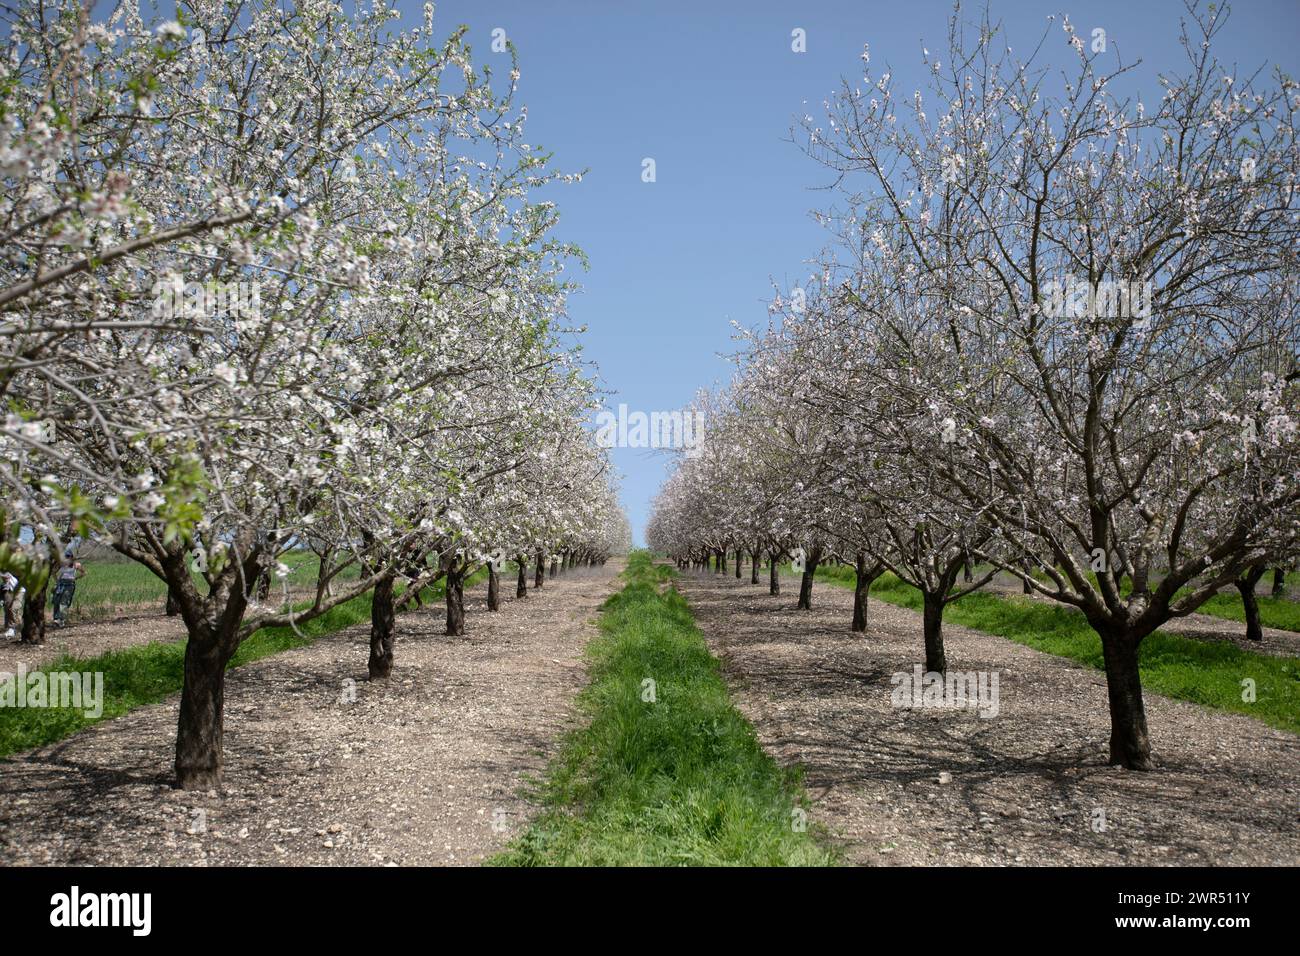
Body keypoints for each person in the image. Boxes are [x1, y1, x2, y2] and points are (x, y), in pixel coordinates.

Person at [50, 558, 85, 627]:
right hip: (61, 584)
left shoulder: (76, 565)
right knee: (56, 601)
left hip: (69, 585)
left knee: (64, 602)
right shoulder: (61, 564)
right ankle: (56, 619)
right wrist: (57, 581)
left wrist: (76, 578)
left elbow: (83, 573)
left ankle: (61, 620)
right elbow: (53, 572)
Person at [2, 571, 18, 638]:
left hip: (19, 591)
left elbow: (6, 576)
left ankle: (12, 628)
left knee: (13, 608)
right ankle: (8, 628)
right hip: (9, 591)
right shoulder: (4, 584)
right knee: (7, 609)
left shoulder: (13, 578)